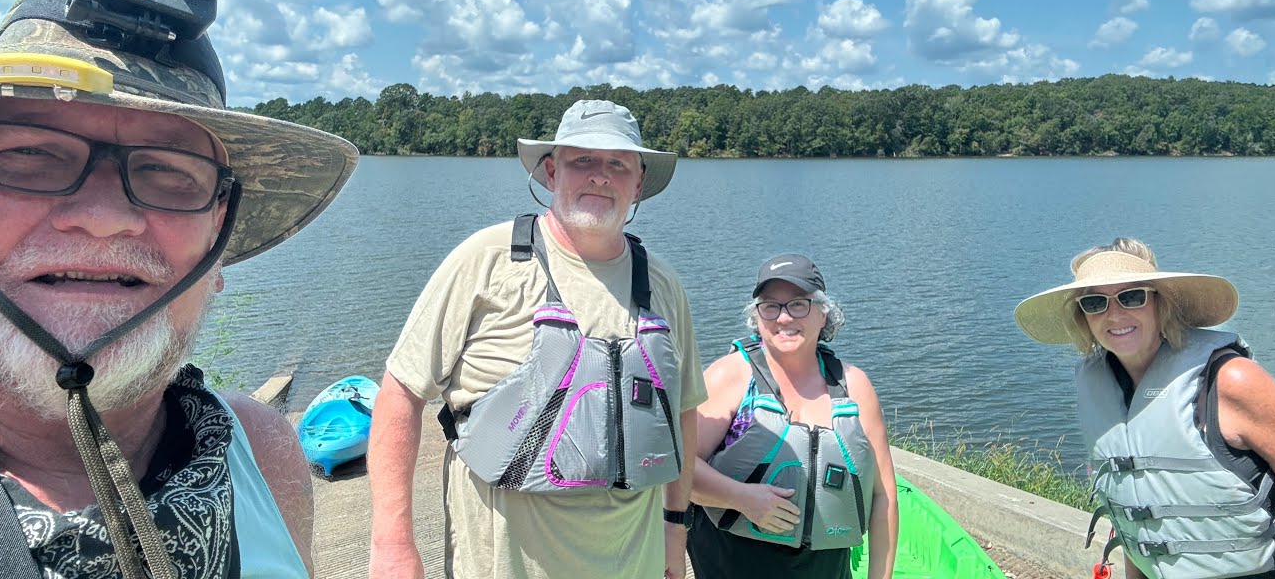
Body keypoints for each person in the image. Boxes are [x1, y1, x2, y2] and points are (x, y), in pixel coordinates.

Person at [0, 0, 357, 576]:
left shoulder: (262, 452)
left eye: (168, 171)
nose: (103, 217)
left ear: (220, 239)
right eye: (30, 156)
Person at [367, 99, 706, 579]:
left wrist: (676, 529)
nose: (599, 176)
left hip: (637, 562)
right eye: (582, 160)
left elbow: (684, 410)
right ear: (551, 172)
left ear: (638, 182)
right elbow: (400, 393)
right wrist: (393, 544)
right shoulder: (486, 260)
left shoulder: (663, 286)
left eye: (617, 164)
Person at [1015, 238, 1275, 579]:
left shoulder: (1230, 380)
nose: (1115, 314)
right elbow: (1137, 512)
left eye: (1132, 296)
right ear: (1082, 316)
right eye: (1094, 302)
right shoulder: (1100, 387)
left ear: (1160, 302)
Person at [688, 254, 898, 578]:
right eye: (770, 306)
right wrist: (743, 498)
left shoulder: (854, 387)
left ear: (824, 312)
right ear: (756, 316)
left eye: (798, 304)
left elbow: (883, 496)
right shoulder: (730, 377)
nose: (783, 318)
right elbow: (678, 469)